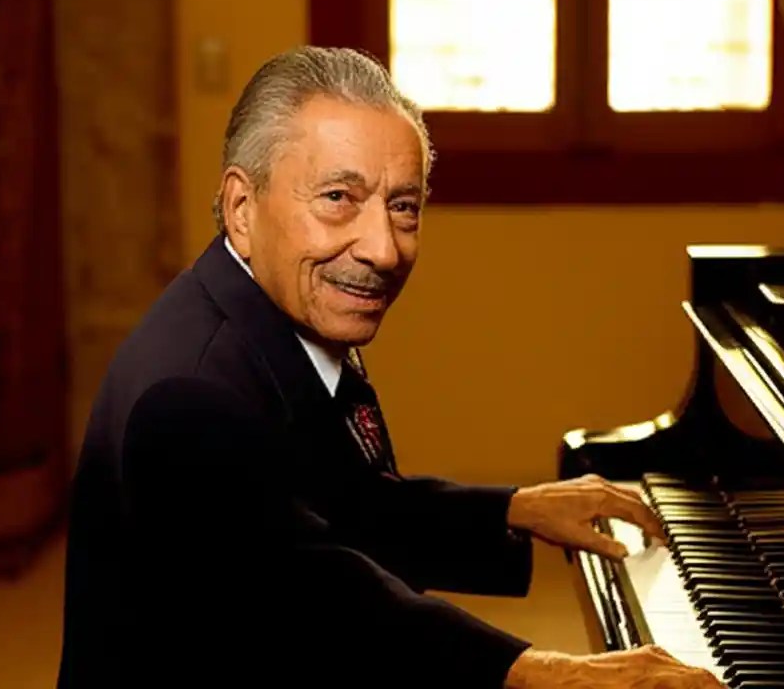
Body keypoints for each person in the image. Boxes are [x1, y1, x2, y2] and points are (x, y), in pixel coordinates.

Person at [57, 46, 725, 688]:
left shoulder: (262, 313)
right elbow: (317, 597)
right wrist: (546, 673)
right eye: (337, 198)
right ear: (241, 208)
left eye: (403, 207)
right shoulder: (190, 397)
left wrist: (513, 509)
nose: (382, 249)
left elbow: (335, 507)